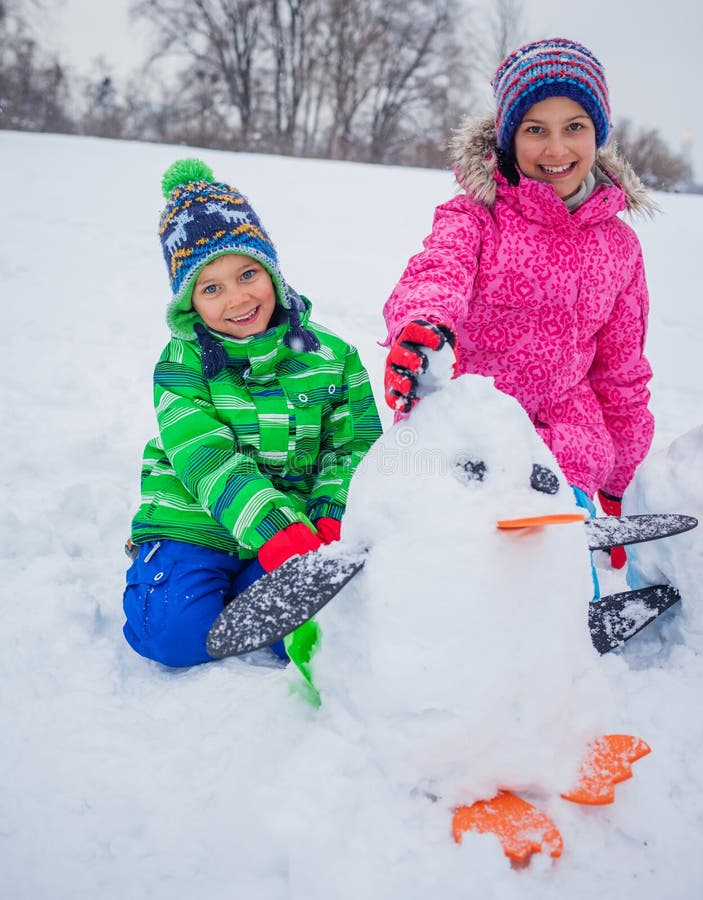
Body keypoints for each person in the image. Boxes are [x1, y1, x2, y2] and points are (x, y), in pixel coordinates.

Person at [383, 38, 655, 568]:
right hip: (467, 439)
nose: (556, 150)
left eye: (574, 126)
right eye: (536, 130)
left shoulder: (619, 246)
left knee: (547, 563)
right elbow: (437, 271)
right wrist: (423, 326)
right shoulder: (475, 217)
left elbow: (621, 373)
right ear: (509, 138)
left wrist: (621, 485)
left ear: (598, 134)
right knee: (462, 561)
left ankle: (564, 615)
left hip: (566, 448)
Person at [123, 158, 382, 667]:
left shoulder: (333, 357)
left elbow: (352, 449)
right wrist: (274, 529)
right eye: (211, 288)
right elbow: (205, 457)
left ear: (272, 271)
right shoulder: (182, 364)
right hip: (194, 520)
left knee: (323, 626)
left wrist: (330, 519)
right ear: (190, 303)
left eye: (248, 274)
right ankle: (169, 570)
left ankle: (247, 582)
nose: (238, 299)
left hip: (297, 529)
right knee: (171, 637)